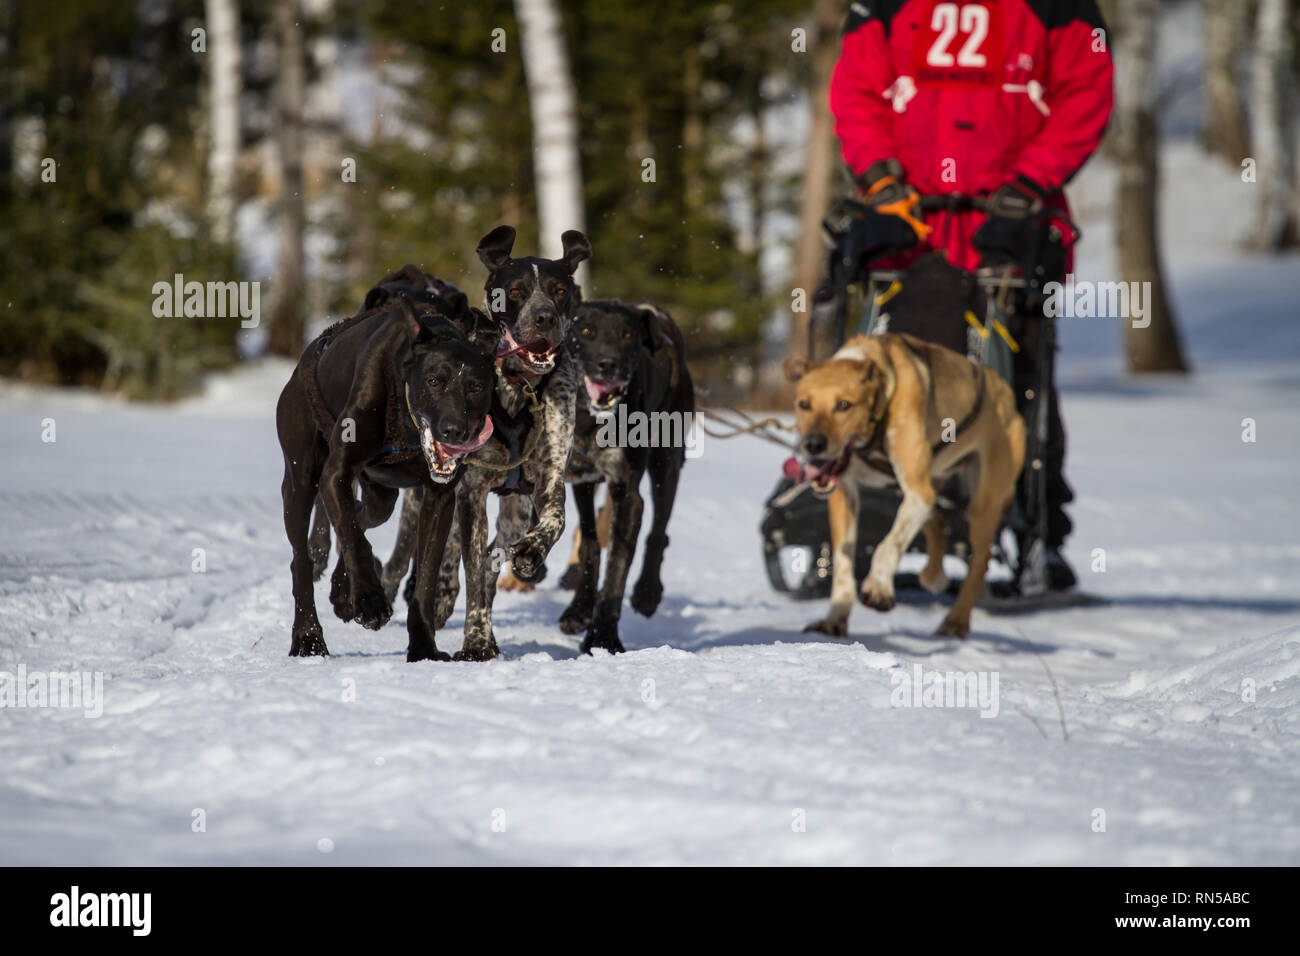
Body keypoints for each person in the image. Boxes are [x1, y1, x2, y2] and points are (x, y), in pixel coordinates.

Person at [828, 0, 1114, 591]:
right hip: (913, 225)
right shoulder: (881, 8)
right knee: (887, 373)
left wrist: (1032, 182)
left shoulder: (1061, 8)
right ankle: (884, 509)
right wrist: (881, 180)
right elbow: (857, 91)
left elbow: (1086, 92)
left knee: (1022, 382)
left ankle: (1034, 527)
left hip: (1012, 225)